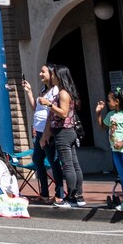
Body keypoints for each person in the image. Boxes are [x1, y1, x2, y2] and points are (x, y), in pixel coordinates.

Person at [40, 65, 85, 206]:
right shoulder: (64, 92)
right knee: (74, 165)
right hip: (67, 132)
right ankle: (78, 196)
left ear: (59, 76)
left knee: (68, 165)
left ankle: (72, 197)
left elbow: (63, 113)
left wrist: (49, 104)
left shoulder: (63, 93)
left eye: (53, 75)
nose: (51, 77)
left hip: (63, 132)